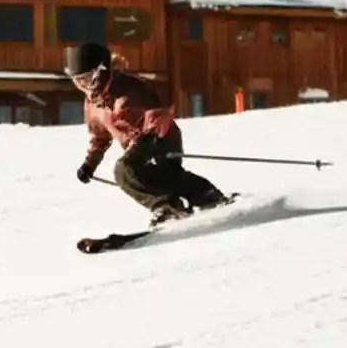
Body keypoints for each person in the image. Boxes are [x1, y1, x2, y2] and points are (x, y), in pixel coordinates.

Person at [65, 42, 231, 227]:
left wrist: (154, 124)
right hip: (136, 145)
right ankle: (204, 195)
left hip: (159, 136)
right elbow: (100, 138)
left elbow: (159, 102)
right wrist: (89, 165)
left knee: (125, 169)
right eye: (77, 80)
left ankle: (167, 207)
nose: (83, 85)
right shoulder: (92, 105)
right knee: (157, 175)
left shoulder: (128, 86)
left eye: (87, 79)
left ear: (100, 71)